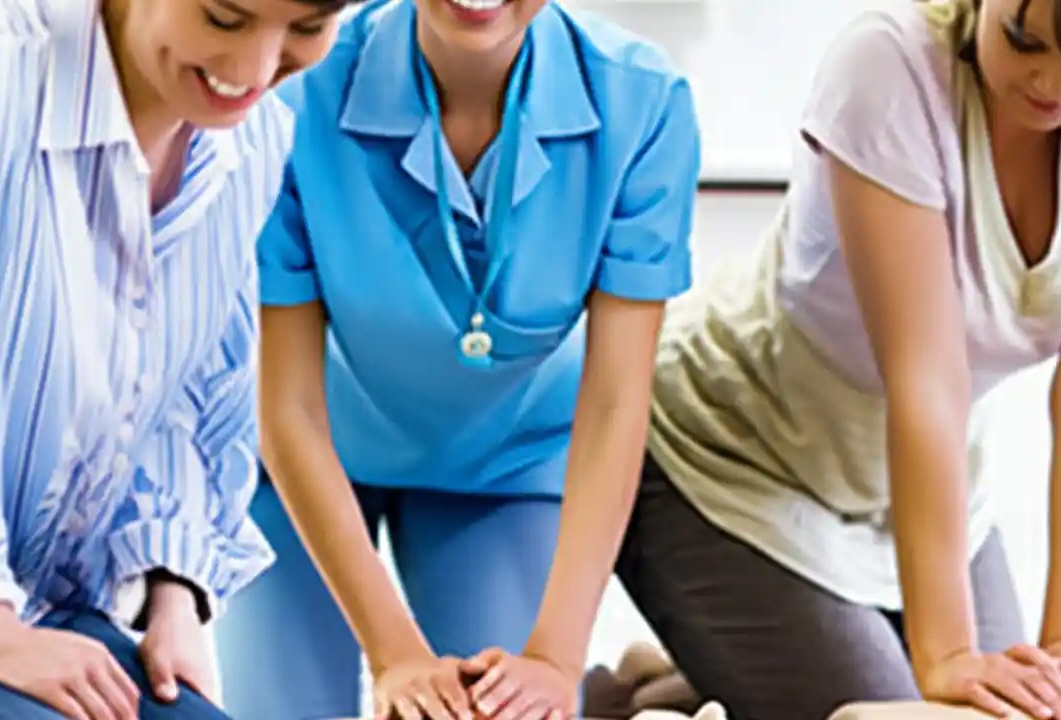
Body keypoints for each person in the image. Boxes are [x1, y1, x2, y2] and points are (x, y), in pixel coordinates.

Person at [614, 0, 1061, 718]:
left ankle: (678, 684)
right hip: (727, 455)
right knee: (906, 713)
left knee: (1028, 709)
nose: (1054, 85)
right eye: (1024, 41)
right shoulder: (890, 68)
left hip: (911, 488)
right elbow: (928, 378)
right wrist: (948, 656)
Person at [0, 0, 345, 717]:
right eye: (223, 18)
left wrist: (174, 594)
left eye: (306, 28)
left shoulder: (252, 138)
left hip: (40, 609)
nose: (256, 69)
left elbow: (191, 398)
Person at [210, 0, 700, 717]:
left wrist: (554, 661)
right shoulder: (296, 90)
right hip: (306, 462)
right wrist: (395, 657)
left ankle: (618, 687)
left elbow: (616, 403)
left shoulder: (642, 101)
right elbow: (288, 409)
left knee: (507, 708)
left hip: (502, 465)